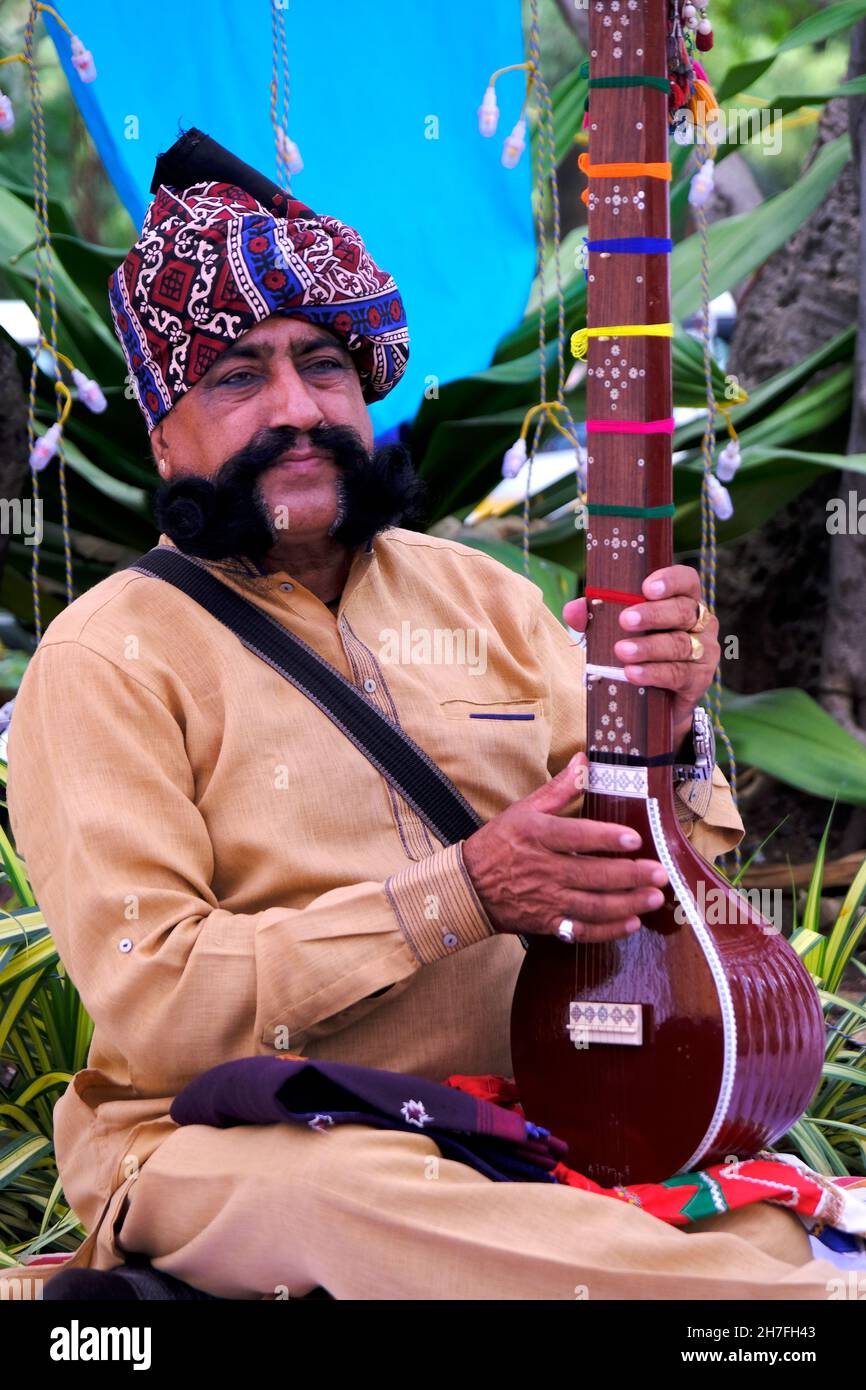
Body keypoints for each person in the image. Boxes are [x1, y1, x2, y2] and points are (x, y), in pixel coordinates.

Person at [4, 157, 840, 1301]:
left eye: (325, 365)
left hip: (525, 1126)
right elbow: (158, 1007)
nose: (296, 409)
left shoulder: (482, 596)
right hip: (247, 1140)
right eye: (237, 376)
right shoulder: (106, 657)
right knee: (341, 1195)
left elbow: (648, 870)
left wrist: (665, 729)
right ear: (163, 436)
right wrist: (461, 894)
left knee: (753, 1220)